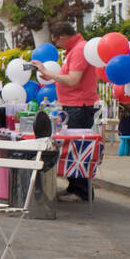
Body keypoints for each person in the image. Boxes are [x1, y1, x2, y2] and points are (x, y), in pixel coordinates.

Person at [33, 20, 98, 202]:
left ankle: (81, 191)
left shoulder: (78, 50)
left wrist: (47, 71)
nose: (57, 45)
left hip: (79, 105)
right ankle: (75, 187)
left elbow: (72, 80)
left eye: (56, 41)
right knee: (74, 148)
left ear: (62, 37)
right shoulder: (76, 49)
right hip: (74, 104)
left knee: (76, 149)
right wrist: (49, 75)